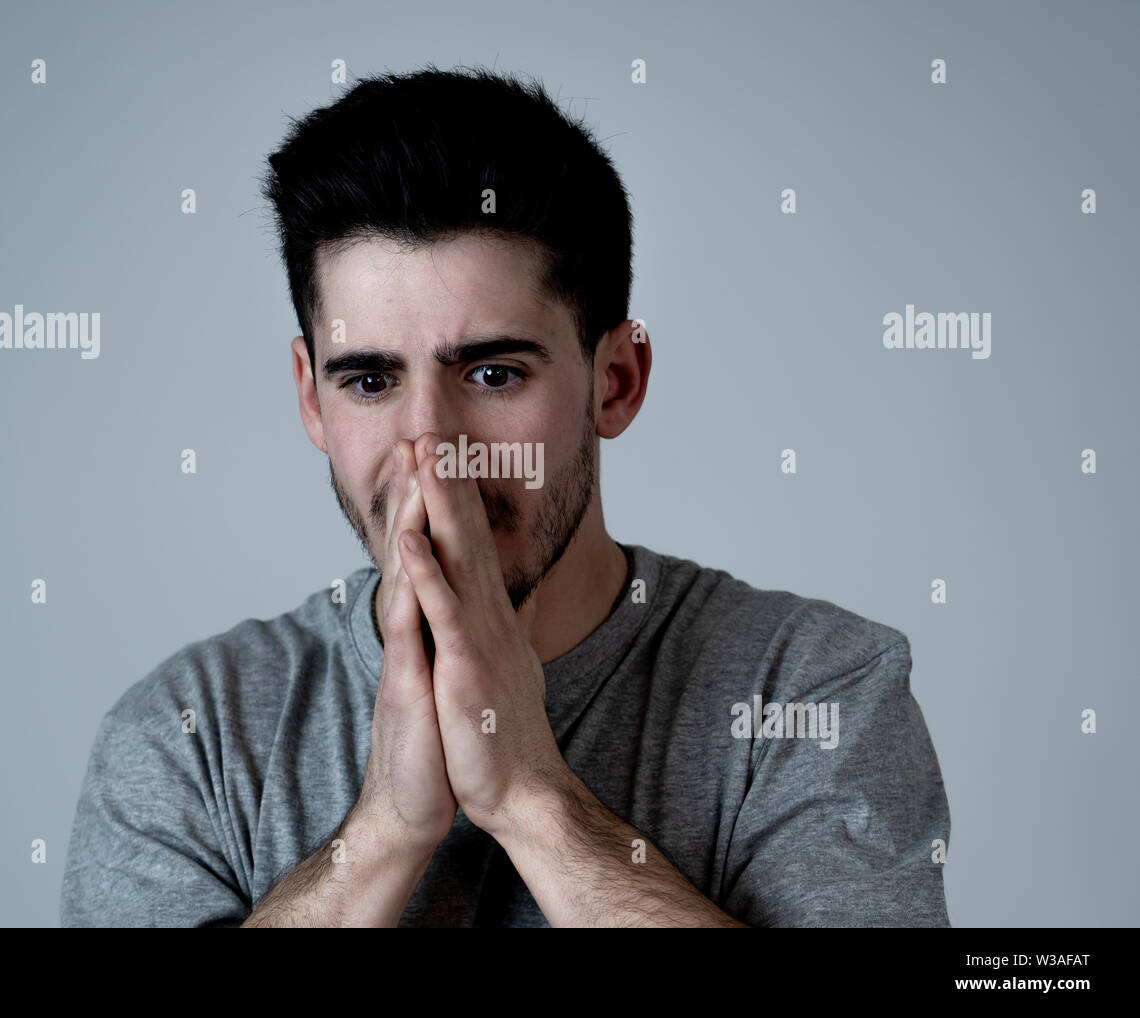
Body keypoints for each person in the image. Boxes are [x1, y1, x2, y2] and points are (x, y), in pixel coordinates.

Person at [60, 65, 951, 927]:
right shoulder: (186, 734)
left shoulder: (814, 688)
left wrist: (531, 794)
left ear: (617, 380)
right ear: (311, 400)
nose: (431, 451)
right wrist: (383, 834)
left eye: (492, 373)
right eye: (369, 381)